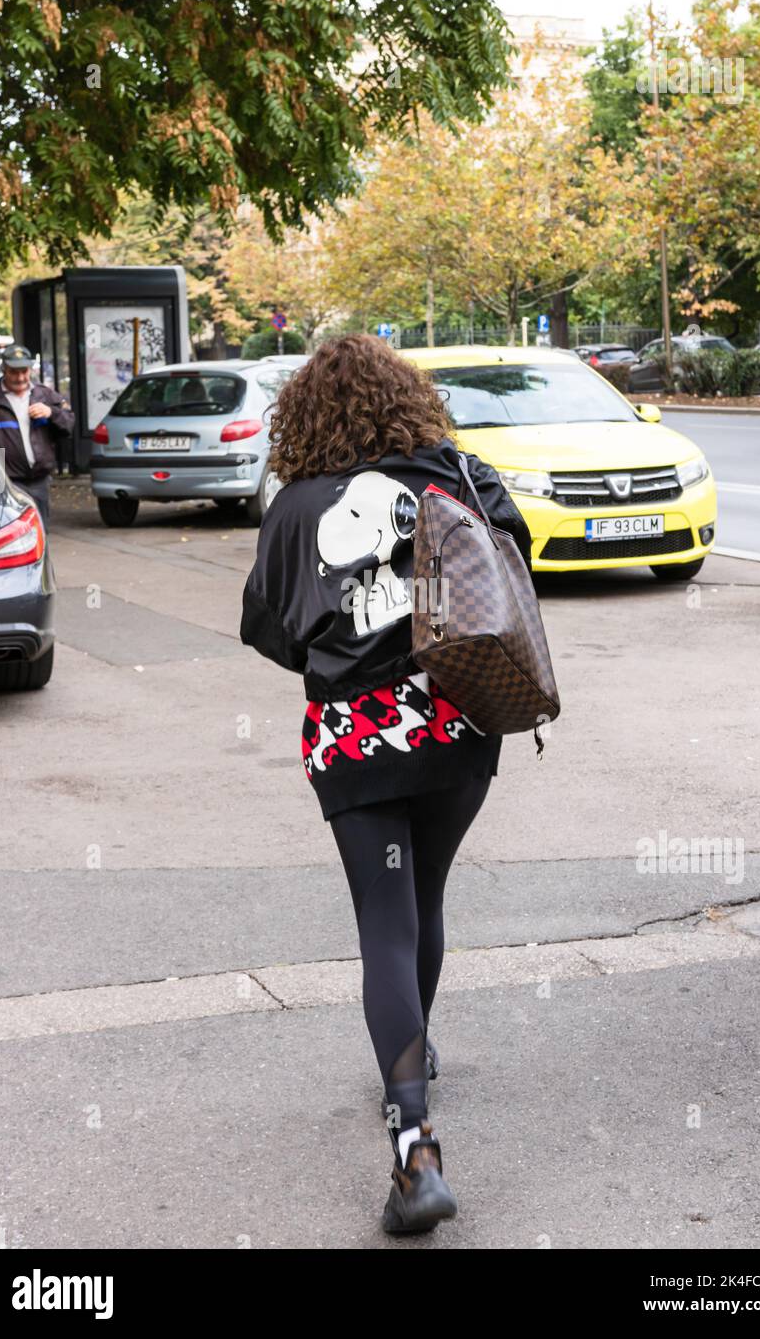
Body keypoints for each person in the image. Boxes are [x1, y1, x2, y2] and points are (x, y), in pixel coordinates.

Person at [239, 333, 533, 1235]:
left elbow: (270, 629)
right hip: (460, 720)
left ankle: (416, 1151)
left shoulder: (296, 505)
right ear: (406, 398)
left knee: (385, 920)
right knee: (424, 899)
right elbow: (517, 570)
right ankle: (413, 1059)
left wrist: (343, 643)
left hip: (356, 736)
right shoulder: (459, 473)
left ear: (303, 417)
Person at [0, 344, 75, 531]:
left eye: (24, 371)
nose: (20, 378)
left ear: (30, 370)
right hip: (4, 483)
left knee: (39, 533)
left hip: (38, 480)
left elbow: (68, 425)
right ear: (4, 370)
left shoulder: (45, 395)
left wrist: (51, 413)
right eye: (14, 372)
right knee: (8, 534)